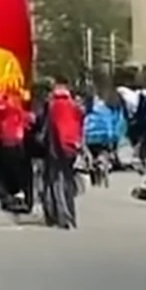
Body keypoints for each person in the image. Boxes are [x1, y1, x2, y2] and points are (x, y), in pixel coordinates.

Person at [42, 76, 83, 230]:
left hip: (56, 148)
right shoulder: (74, 105)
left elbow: (49, 129)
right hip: (72, 146)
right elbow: (80, 124)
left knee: (56, 182)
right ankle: (72, 215)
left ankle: (62, 216)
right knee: (68, 180)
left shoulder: (52, 105)